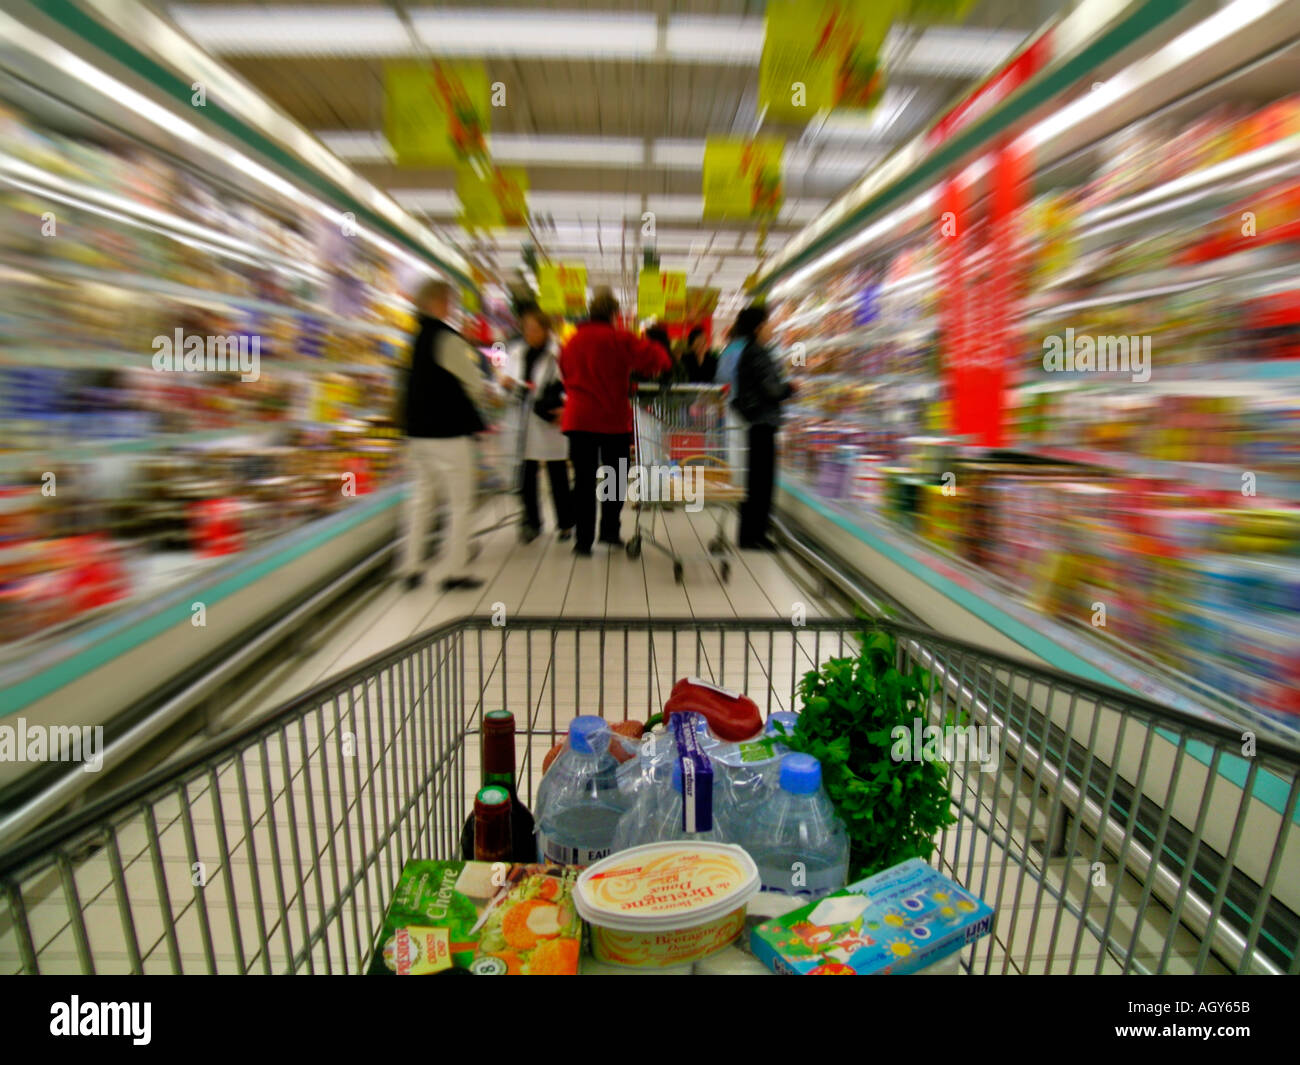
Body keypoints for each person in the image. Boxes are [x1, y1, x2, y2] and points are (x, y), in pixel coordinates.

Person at [559, 287, 671, 555]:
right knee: (614, 478)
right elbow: (660, 360)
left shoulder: (571, 343)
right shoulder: (620, 338)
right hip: (612, 419)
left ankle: (583, 541)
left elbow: (564, 372)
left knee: (584, 480)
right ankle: (609, 531)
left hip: (579, 418)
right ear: (613, 314)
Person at [397, 278, 487, 592]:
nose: (452, 307)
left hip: (418, 434)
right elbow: (474, 382)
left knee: (422, 499)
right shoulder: (447, 339)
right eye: (448, 300)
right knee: (459, 503)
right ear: (436, 302)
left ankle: (410, 567)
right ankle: (454, 570)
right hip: (448, 433)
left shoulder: (415, 337)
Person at [502, 304, 573, 542]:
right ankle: (532, 522)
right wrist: (505, 386)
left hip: (549, 420)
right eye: (526, 329)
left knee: (557, 473)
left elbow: (570, 386)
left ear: (545, 330)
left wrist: (565, 407)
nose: (529, 333)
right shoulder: (516, 353)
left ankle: (565, 523)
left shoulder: (558, 354)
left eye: (534, 329)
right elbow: (505, 382)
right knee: (526, 474)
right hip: (523, 421)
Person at [730, 304, 793, 551]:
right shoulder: (758, 353)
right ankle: (754, 536)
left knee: (757, 481)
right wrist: (790, 388)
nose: (772, 327)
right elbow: (772, 390)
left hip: (757, 422)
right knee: (761, 483)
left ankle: (751, 534)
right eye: (769, 322)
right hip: (762, 422)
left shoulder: (751, 350)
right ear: (759, 327)